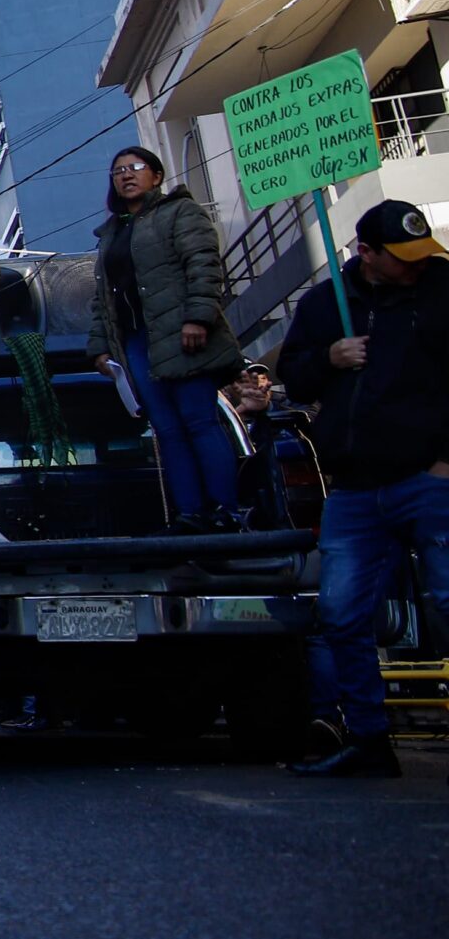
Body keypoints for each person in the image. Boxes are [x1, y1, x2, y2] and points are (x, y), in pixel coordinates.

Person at [278, 200, 449, 779]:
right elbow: (294, 374)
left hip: (429, 477)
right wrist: (329, 355)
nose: (414, 266)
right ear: (365, 253)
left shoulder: (441, 289)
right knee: (343, 616)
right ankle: (369, 739)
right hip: (354, 487)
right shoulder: (327, 304)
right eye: (401, 257)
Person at [85, 147, 243, 532]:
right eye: (118, 169)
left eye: (136, 167)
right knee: (167, 430)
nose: (126, 175)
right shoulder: (112, 232)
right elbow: (103, 296)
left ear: (156, 175)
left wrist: (198, 318)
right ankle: (190, 513)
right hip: (137, 341)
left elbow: (204, 266)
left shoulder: (180, 212)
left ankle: (227, 511)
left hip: (183, 332)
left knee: (199, 421)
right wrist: (100, 346)